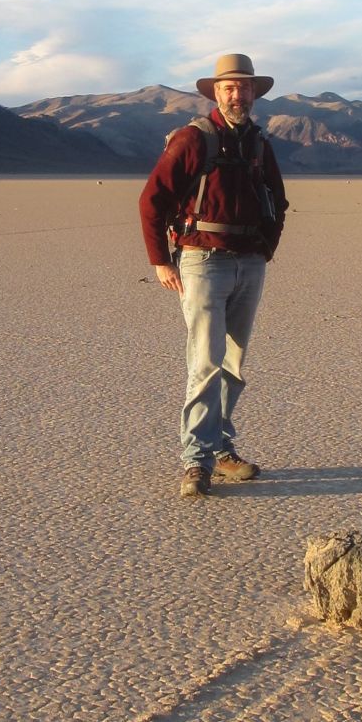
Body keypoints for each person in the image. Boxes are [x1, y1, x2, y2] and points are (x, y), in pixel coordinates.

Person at [138, 53, 289, 498]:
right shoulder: (193, 139)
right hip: (203, 261)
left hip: (249, 262)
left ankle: (221, 448)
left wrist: (266, 249)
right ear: (216, 93)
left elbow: (277, 201)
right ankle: (196, 461)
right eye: (229, 88)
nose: (237, 95)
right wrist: (161, 261)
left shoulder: (259, 144)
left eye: (244, 88)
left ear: (253, 94)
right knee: (205, 361)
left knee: (233, 364)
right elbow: (152, 200)